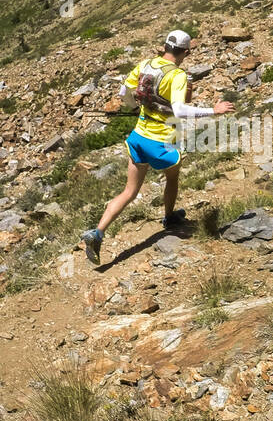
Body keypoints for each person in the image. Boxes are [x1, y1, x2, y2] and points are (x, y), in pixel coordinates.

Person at [81, 29, 234, 265]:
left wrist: (134, 107)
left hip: (138, 137)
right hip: (159, 142)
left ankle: (97, 233)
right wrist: (214, 110)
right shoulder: (178, 76)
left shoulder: (145, 65)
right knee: (173, 175)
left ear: (165, 46)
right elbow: (181, 110)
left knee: (129, 192)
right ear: (185, 52)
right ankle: (170, 217)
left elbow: (124, 91)